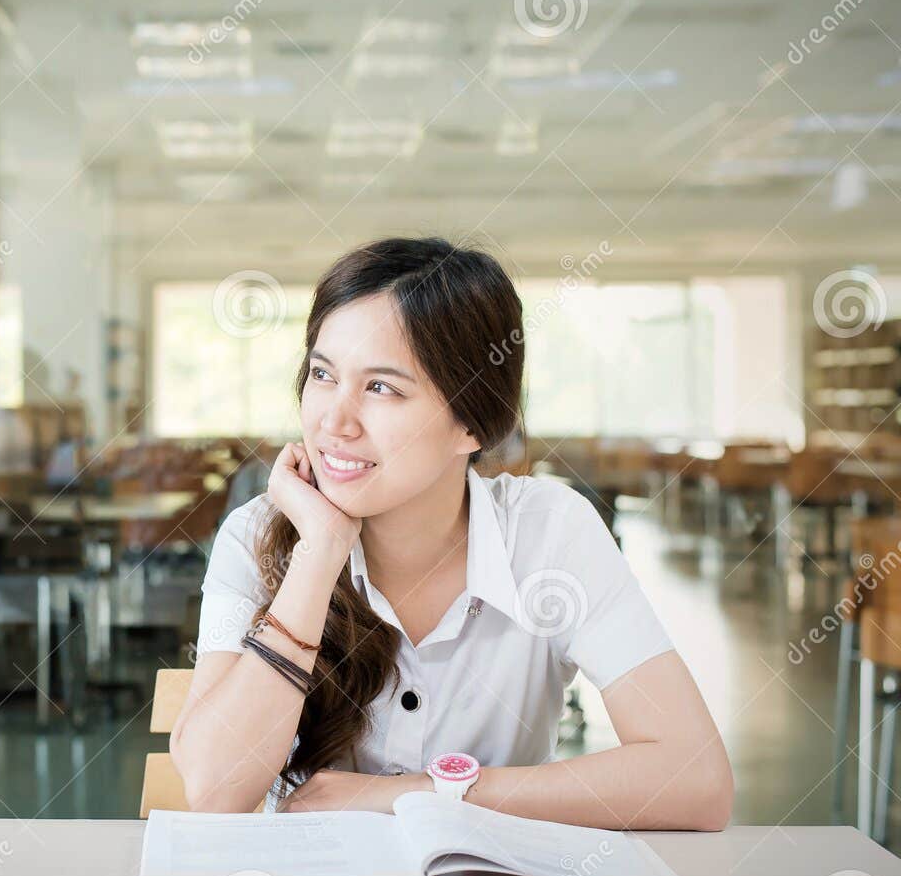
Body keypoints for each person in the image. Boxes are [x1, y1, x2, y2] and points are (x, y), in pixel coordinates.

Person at [171, 237, 733, 830]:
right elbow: (214, 790)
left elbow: (697, 780)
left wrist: (420, 794)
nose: (334, 421)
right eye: (322, 374)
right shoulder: (256, 535)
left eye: (382, 387)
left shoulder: (549, 531)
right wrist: (319, 552)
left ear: (472, 423)